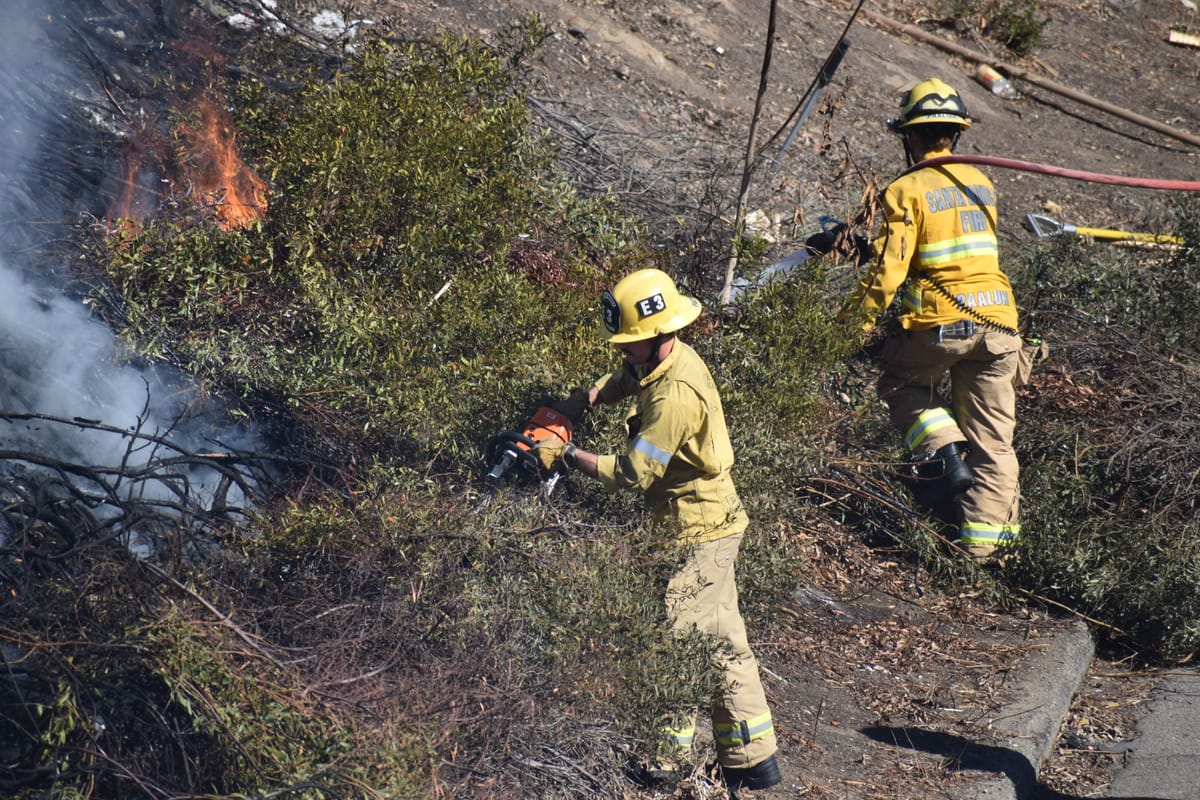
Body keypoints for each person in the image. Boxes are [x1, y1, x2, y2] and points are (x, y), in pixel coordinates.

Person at [533, 268, 782, 792]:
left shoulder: (675, 396)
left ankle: (662, 762)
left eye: (630, 342)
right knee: (723, 641)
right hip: (702, 523)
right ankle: (753, 758)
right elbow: (628, 377)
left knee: (675, 642)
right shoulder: (662, 360)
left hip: (699, 532)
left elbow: (633, 473)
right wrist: (585, 398)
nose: (623, 351)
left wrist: (567, 453)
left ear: (657, 335)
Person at [837, 78, 1023, 565]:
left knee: (901, 384)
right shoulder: (981, 183)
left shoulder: (906, 189)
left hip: (943, 322)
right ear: (955, 134)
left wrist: (852, 327)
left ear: (910, 136)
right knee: (995, 441)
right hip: (1001, 325)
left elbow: (888, 270)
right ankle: (983, 556)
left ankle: (944, 451)